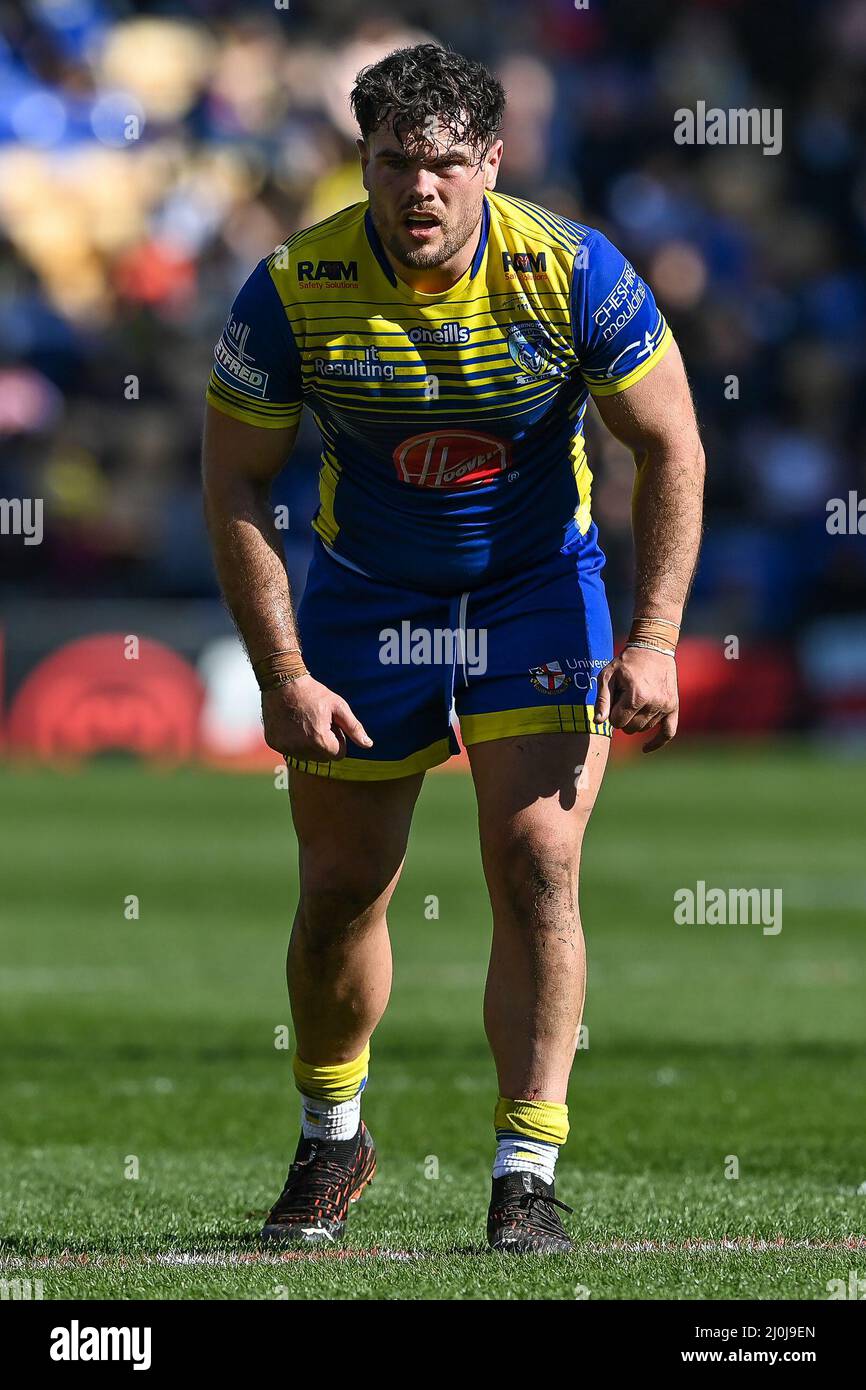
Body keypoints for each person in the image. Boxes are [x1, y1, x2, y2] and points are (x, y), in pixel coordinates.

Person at [202, 43, 705, 1253]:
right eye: (390, 163)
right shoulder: (289, 289)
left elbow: (671, 449)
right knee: (337, 892)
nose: (415, 189)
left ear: (490, 160)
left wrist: (652, 639)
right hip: (368, 602)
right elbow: (232, 481)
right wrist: (282, 674)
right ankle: (333, 1137)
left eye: (440, 164)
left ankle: (524, 1170)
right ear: (361, 161)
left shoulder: (573, 271)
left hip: (536, 593)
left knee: (537, 860)